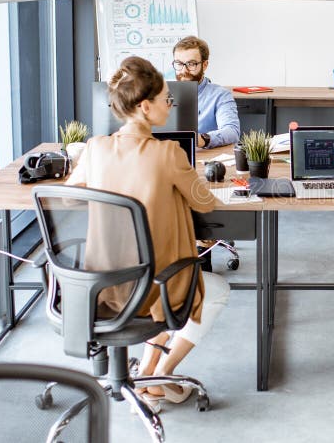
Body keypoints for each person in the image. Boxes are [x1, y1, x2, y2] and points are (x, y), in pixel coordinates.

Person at [67, 56, 231, 405]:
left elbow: (70, 196)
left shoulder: (95, 148)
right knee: (217, 290)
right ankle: (157, 375)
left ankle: (149, 374)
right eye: (166, 99)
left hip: (101, 288)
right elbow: (205, 203)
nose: (171, 105)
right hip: (153, 290)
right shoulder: (169, 153)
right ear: (144, 107)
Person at [172, 36, 240, 149]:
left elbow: (232, 132)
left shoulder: (220, 95)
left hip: (203, 159)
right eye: (179, 64)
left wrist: (203, 139)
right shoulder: (162, 94)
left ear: (204, 65)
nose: (184, 71)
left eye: (191, 64)